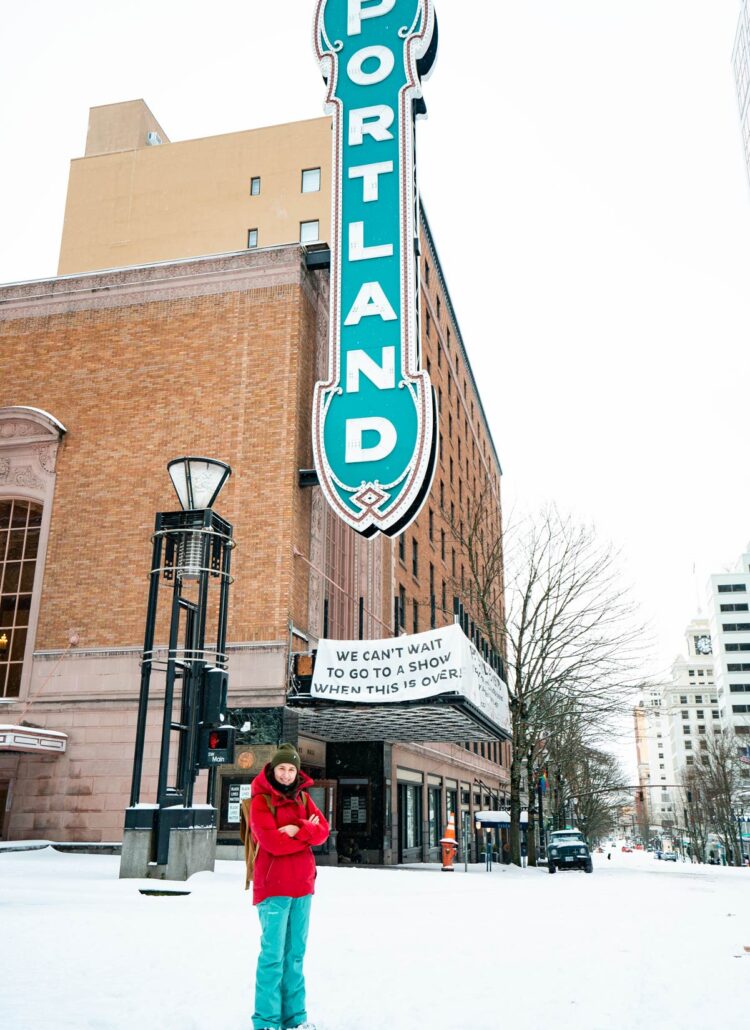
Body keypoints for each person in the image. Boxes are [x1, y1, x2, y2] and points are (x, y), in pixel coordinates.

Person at [250, 743, 330, 1030]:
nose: (286, 774)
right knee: (272, 958)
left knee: (295, 956)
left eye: (291, 769)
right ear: (273, 770)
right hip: (273, 889)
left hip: (303, 887)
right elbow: (271, 842)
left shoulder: (306, 800)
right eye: (282, 768)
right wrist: (308, 832)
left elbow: (323, 832)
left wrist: (298, 828)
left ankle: (296, 1019)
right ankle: (266, 1021)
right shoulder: (261, 802)